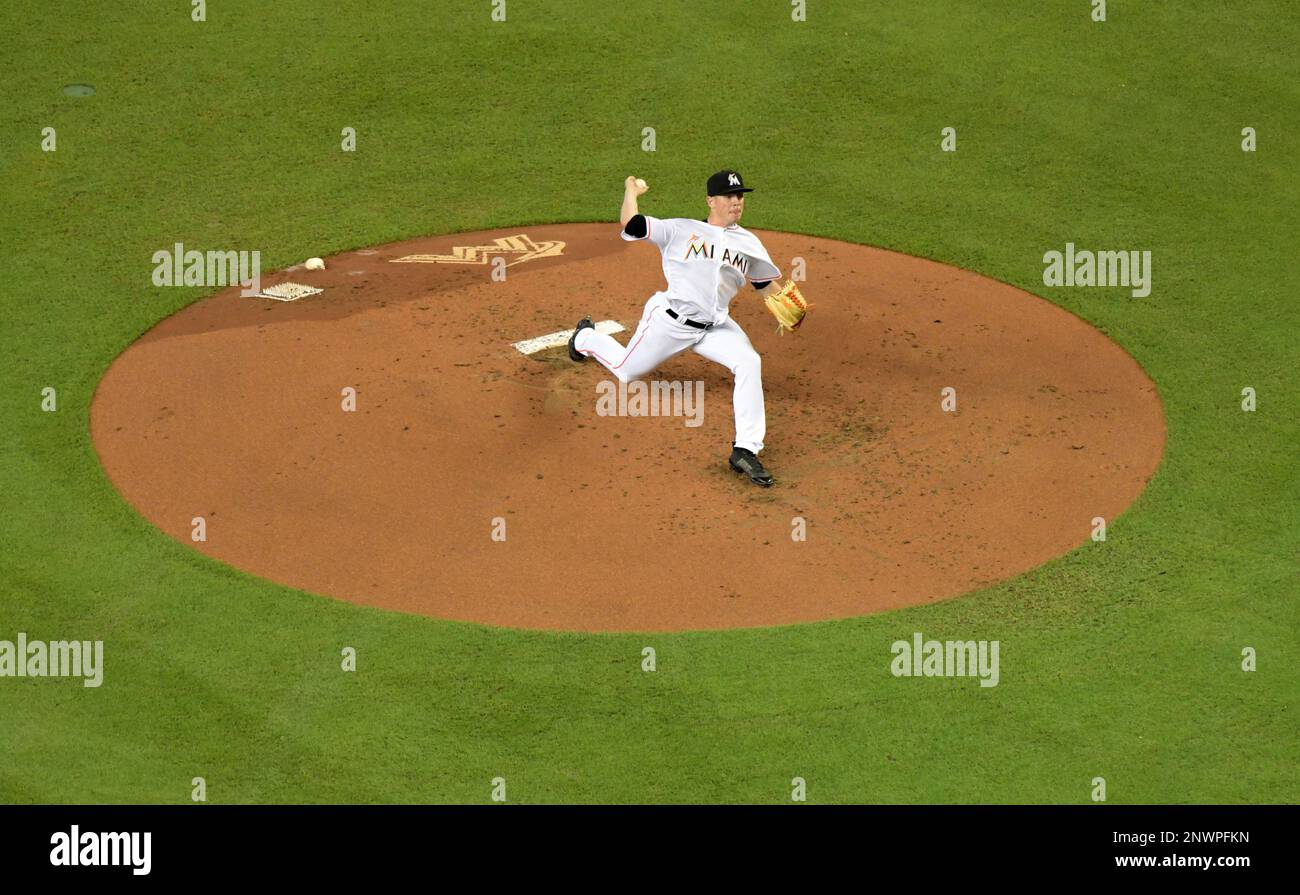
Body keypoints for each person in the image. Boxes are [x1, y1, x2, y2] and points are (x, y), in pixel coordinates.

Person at [568, 170, 784, 486]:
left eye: (739, 196)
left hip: (716, 326)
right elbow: (632, 225)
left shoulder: (748, 243)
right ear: (711, 200)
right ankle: (585, 337)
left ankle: (745, 450)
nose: (736, 202)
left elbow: (765, 283)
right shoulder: (680, 230)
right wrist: (631, 191)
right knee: (627, 371)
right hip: (670, 322)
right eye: (728, 196)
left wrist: (788, 308)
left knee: (749, 361)